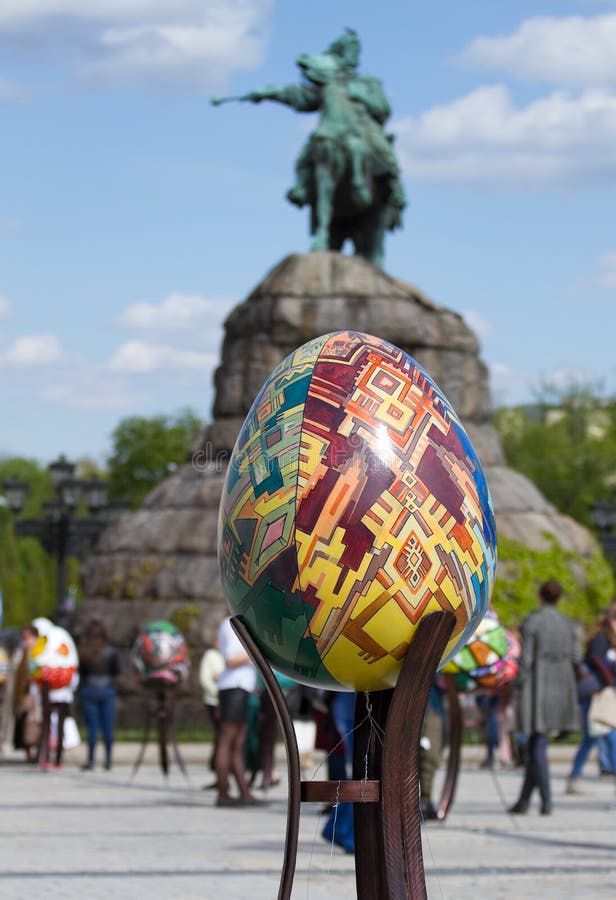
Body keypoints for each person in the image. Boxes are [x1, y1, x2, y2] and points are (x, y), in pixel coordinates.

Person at [508, 580, 581, 815]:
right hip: (562, 687)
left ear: (540, 595)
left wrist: (514, 684)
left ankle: (547, 800)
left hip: (537, 686)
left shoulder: (533, 621)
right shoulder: (568, 624)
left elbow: (526, 660)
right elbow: (577, 657)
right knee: (536, 742)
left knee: (537, 742)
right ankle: (524, 801)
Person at [566, 603, 616, 794]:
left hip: (605, 696)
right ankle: (574, 777)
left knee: (591, 739)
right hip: (595, 695)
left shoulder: (610, 640)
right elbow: (596, 662)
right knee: (608, 736)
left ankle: (574, 777)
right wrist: (608, 678)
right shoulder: (600, 639)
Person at [213, 617, 259, 807]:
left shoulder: (237, 623)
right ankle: (223, 792)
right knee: (227, 739)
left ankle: (244, 791)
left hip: (240, 687)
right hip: (234, 687)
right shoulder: (231, 624)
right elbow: (231, 659)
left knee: (237, 742)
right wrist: (256, 650)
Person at [77, 619, 121, 771]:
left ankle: (91, 759)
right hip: (107, 690)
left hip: (90, 689)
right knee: (108, 728)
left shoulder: (84, 652)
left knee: (93, 728)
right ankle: (108, 760)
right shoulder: (111, 651)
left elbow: (81, 673)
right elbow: (116, 671)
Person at [198, 645, 224, 787]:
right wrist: (220, 693)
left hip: (227, 701)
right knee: (221, 737)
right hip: (215, 701)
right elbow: (205, 679)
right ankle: (218, 770)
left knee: (223, 738)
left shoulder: (226, 653)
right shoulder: (211, 655)